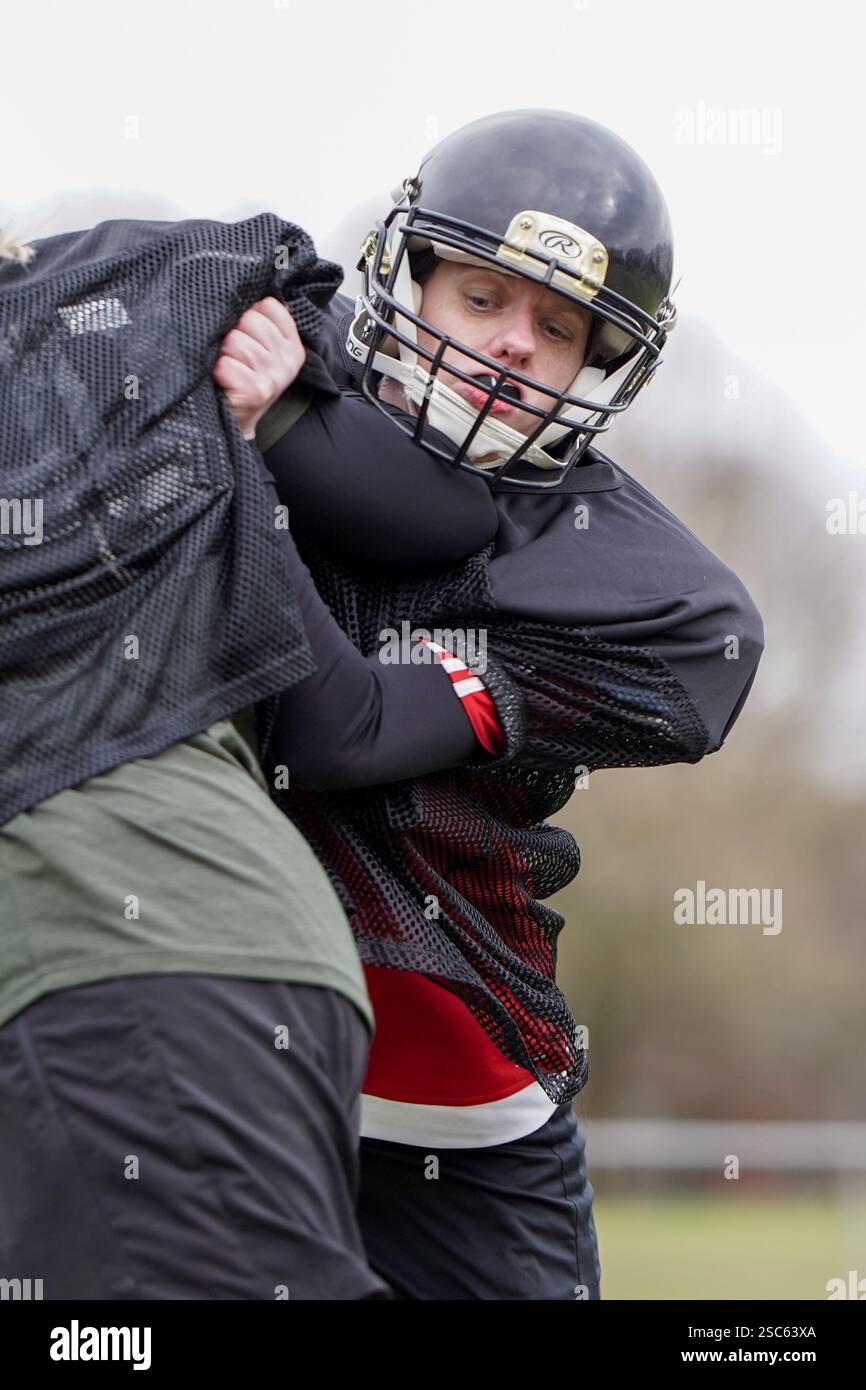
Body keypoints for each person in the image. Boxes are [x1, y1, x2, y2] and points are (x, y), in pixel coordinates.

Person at [251, 109, 766, 1299]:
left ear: (599, 363)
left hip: (457, 1113)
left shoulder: (636, 594)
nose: (515, 346)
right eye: (482, 298)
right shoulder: (267, 351)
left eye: (557, 326)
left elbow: (333, 730)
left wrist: (253, 442)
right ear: (410, 279)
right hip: (215, 1072)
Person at [0, 214, 506, 1300]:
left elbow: (451, 512)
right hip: (129, 969)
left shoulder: (126, 296)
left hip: (148, 957)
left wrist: (275, 407)